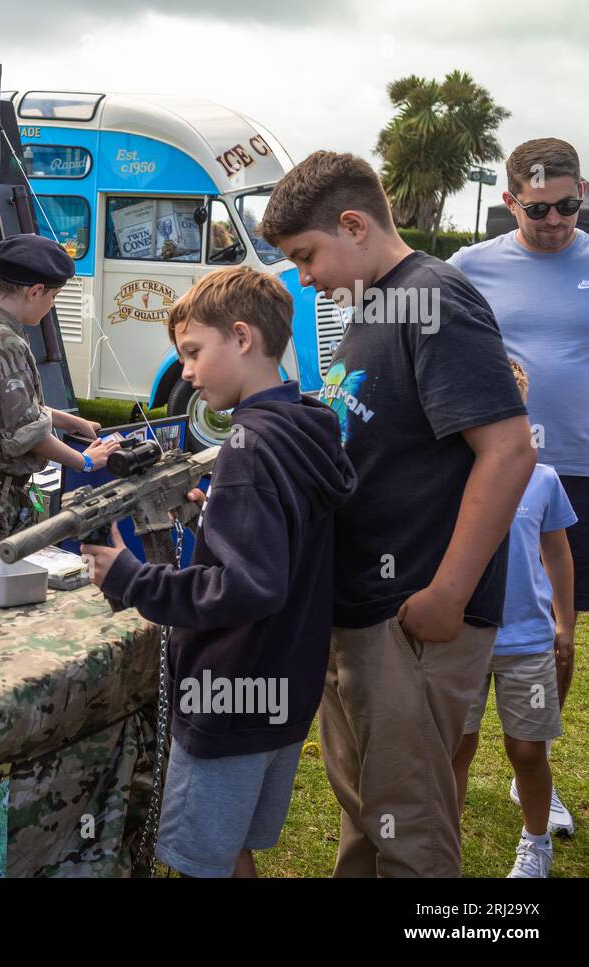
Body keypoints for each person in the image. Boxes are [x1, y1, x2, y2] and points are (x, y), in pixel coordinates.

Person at [259, 151, 536, 877]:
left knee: (409, 836)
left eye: (307, 256)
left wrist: (447, 595)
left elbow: (508, 451)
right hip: (362, 611)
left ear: (353, 225)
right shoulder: (377, 307)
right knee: (368, 822)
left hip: (411, 618)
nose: (307, 277)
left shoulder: (435, 295)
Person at [82, 266, 356, 877]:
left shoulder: (246, 449)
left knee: (204, 859)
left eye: (192, 353)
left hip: (229, 692)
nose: (185, 372)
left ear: (241, 337)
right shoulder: (306, 428)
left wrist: (130, 578)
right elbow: (279, 550)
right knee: (233, 849)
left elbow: (245, 587)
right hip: (285, 685)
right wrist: (220, 521)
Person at [448, 138, 586, 836]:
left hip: (579, 471)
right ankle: (468, 744)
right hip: (493, 469)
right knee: (489, 612)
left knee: (559, 626)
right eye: (539, 209)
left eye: (569, 204)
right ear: (509, 203)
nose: (557, 219)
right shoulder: (469, 266)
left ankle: (532, 759)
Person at [452, 360, 576, 878]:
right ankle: (441, 844)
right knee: (457, 745)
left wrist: (565, 625)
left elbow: (558, 554)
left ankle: (536, 842)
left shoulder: (543, 479)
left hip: (526, 640)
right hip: (460, 640)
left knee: (527, 748)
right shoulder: (447, 477)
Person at [0, 234, 120, 549]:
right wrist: (84, 461)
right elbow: (28, 433)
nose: (51, 306)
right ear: (35, 292)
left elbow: (11, 410)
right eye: (52, 297)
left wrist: (73, 423)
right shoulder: (5, 344)